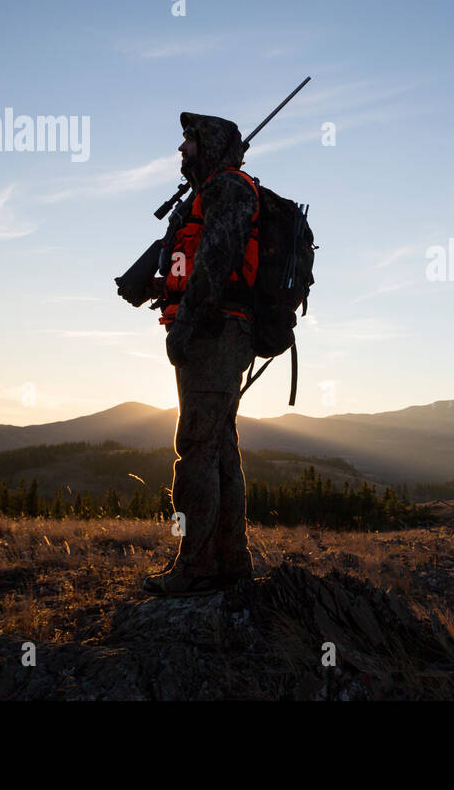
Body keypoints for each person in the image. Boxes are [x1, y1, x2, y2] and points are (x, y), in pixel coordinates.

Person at [122, 112, 260, 596]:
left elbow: (214, 265)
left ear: (212, 145)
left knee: (195, 450)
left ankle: (196, 566)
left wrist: (184, 327)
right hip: (218, 329)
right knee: (218, 446)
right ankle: (229, 561)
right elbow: (199, 263)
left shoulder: (228, 190)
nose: (181, 150)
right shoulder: (214, 193)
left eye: (189, 141)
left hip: (213, 332)